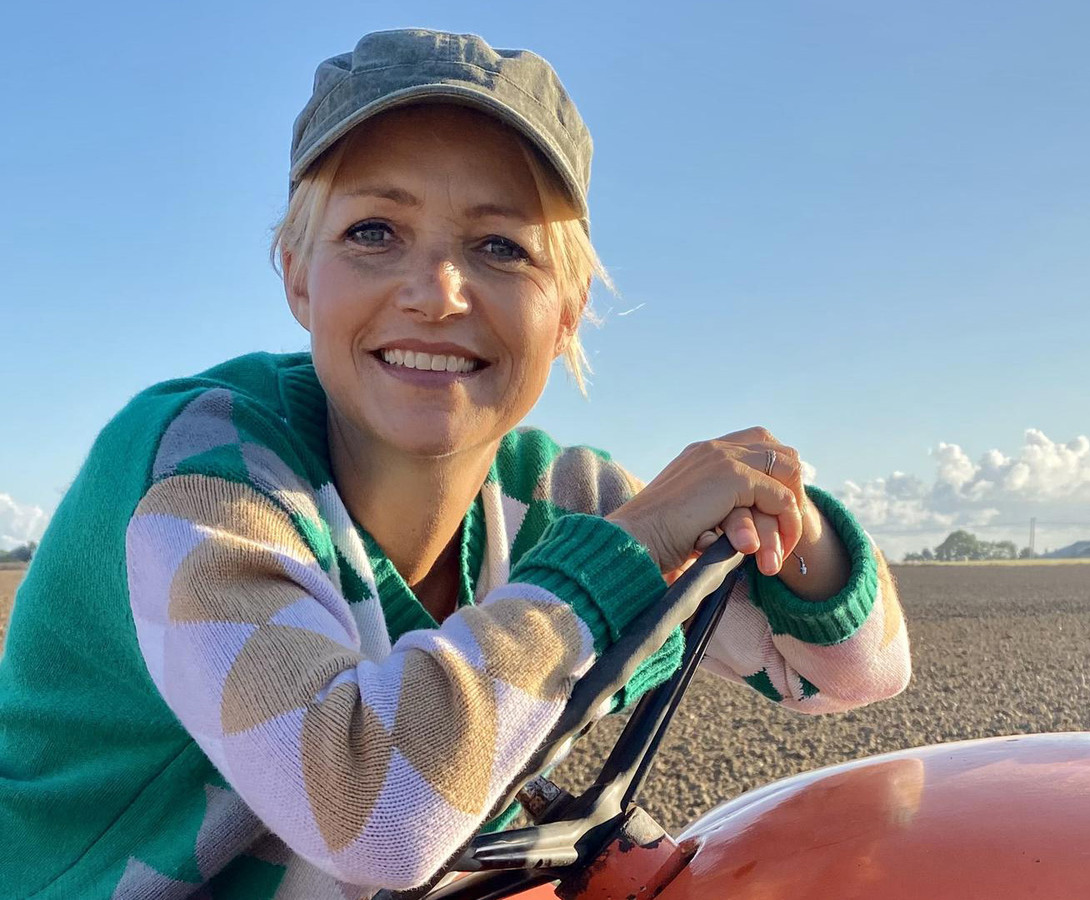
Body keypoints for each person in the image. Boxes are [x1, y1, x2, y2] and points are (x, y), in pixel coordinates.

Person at [0, 29, 910, 898]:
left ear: (567, 311)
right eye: (373, 232)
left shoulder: (560, 500)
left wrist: (791, 518)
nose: (436, 292)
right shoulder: (205, 474)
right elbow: (371, 814)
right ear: (297, 274)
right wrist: (617, 569)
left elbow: (842, 675)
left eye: (501, 247)